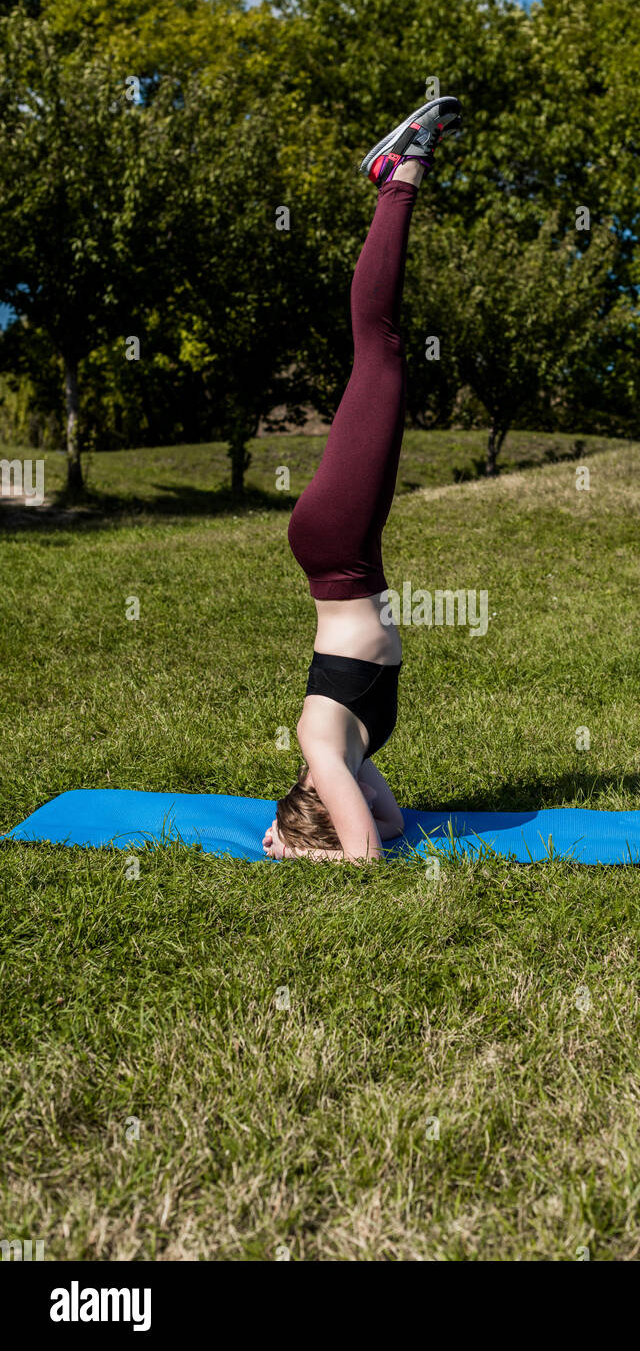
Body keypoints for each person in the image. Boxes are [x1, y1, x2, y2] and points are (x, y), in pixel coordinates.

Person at [263, 96, 462, 862]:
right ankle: (397, 175)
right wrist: (304, 837)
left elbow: (365, 856)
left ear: (315, 798)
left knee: (377, 351)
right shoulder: (349, 759)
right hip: (349, 557)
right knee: (380, 353)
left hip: (337, 550)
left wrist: (296, 844)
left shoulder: (322, 742)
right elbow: (386, 830)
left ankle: (397, 174)